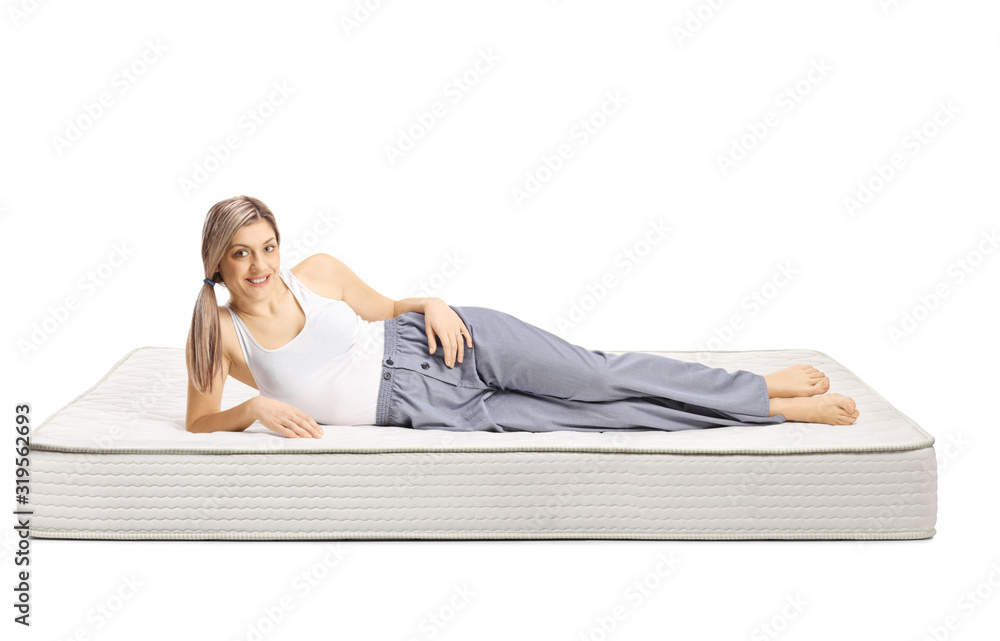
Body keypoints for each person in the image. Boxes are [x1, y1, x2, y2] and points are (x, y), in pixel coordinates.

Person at [185, 196, 859, 438]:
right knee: (595, 417)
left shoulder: (318, 272)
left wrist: (435, 301)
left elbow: (388, 309)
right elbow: (198, 419)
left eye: (268, 246)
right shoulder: (219, 331)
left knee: (599, 376)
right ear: (219, 262)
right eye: (241, 253)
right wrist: (252, 409)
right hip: (424, 409)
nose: (259, 265)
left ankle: (759, 387)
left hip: (447, 342)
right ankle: (773, 413)